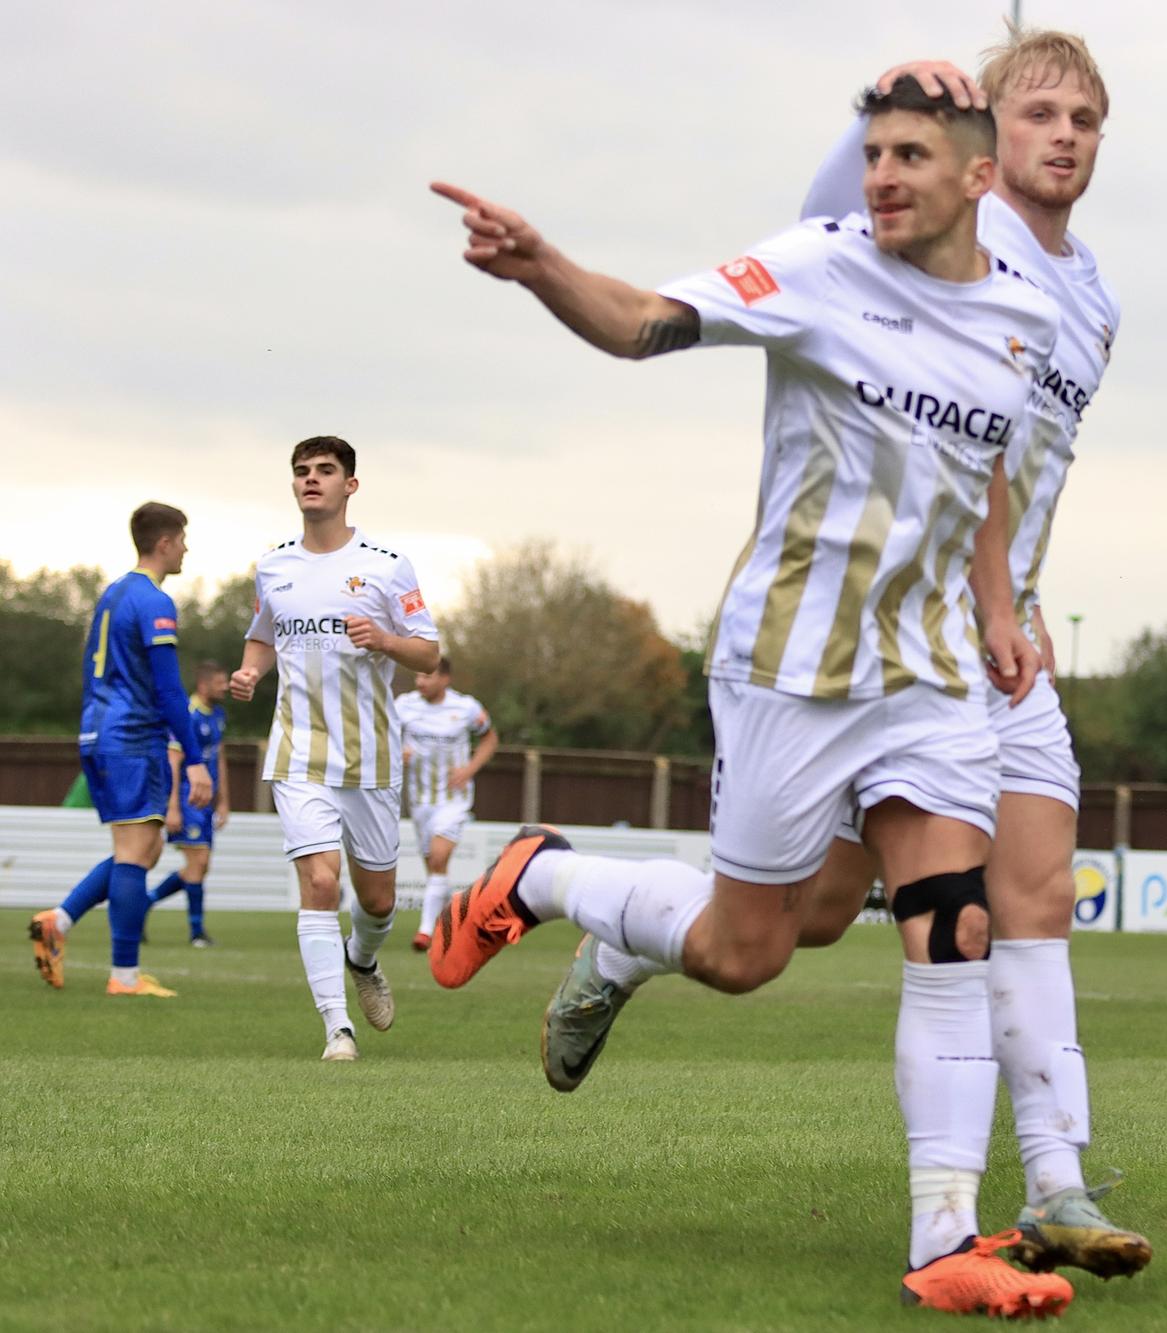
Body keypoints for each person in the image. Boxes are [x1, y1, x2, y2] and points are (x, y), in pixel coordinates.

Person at [427, 78, 1071, 1318]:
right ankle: (545, 876)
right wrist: (544, 267)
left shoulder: (1022, 318)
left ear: (976, 180)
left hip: (929, 677)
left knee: (953, 922)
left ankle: (945, 1237)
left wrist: (996, 607)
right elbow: (643, 323)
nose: (880, 174)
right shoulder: (820, 270)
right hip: (789, 668)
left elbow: (985, 474)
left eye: (910, 155)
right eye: (872, 152)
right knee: (745, 951)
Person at [788, 32, 1148, 1283]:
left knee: (1035, 898)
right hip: (888, 635)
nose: (1065, 136)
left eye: (1086, 120)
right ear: (991, 134)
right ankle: (611, 927)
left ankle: (1057, 1182)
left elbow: (1027, 469)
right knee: (796, 920)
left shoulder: (1095, 297)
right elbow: (826, 210)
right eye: (1039, 113)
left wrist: (1018, 598)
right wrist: (906, 98)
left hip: (1002, 635)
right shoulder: (953, 232)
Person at [230, 437, 441, 1060]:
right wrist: (250, 673)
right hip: (298, 753)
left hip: (372, 756)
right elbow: (262, 636)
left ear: (351, 485)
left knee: (376, 902)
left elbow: (428, 651)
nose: (311, 480)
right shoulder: (273, 567)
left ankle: (364, 958)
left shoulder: (387, 565)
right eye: (301, 472)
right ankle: (337, 1030)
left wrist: (383, 638)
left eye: (325, 471)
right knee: (321, 884)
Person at [29, 503, 214, 996]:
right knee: (135, 854)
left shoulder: (112, 594)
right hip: (131, 736)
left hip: (99, 730)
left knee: (146, 848)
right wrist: (195, 760)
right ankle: (124, 976)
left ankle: (60, 921)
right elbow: (170, 689)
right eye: (183, 539)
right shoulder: (154, 600)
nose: (186, 549)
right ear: (165, 543)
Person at [396, 658, 497, 951]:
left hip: (453, 800)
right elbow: (382, 736)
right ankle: (454, 921)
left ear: (445, 679)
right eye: (417, 677)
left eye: (427, 676)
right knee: (435, 870)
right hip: (419, 800)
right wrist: (396, 752)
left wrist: (469, 769)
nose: (420, 682)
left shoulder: (465, 708)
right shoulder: (404, 706)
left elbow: (490, 738)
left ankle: (425, 932)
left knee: (439, 858)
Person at [148, 661, 231, 945]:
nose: (227, 686)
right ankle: (196, 933)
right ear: (204, 684)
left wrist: (223, 802)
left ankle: (144, 903)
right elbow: (173, 760)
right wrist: (171, 806)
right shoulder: (188, 714)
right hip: (187, 797)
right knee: (199, 862)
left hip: (207, 801)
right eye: (221, 682)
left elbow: (218, 758)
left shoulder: (218, 714)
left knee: (199, 867)